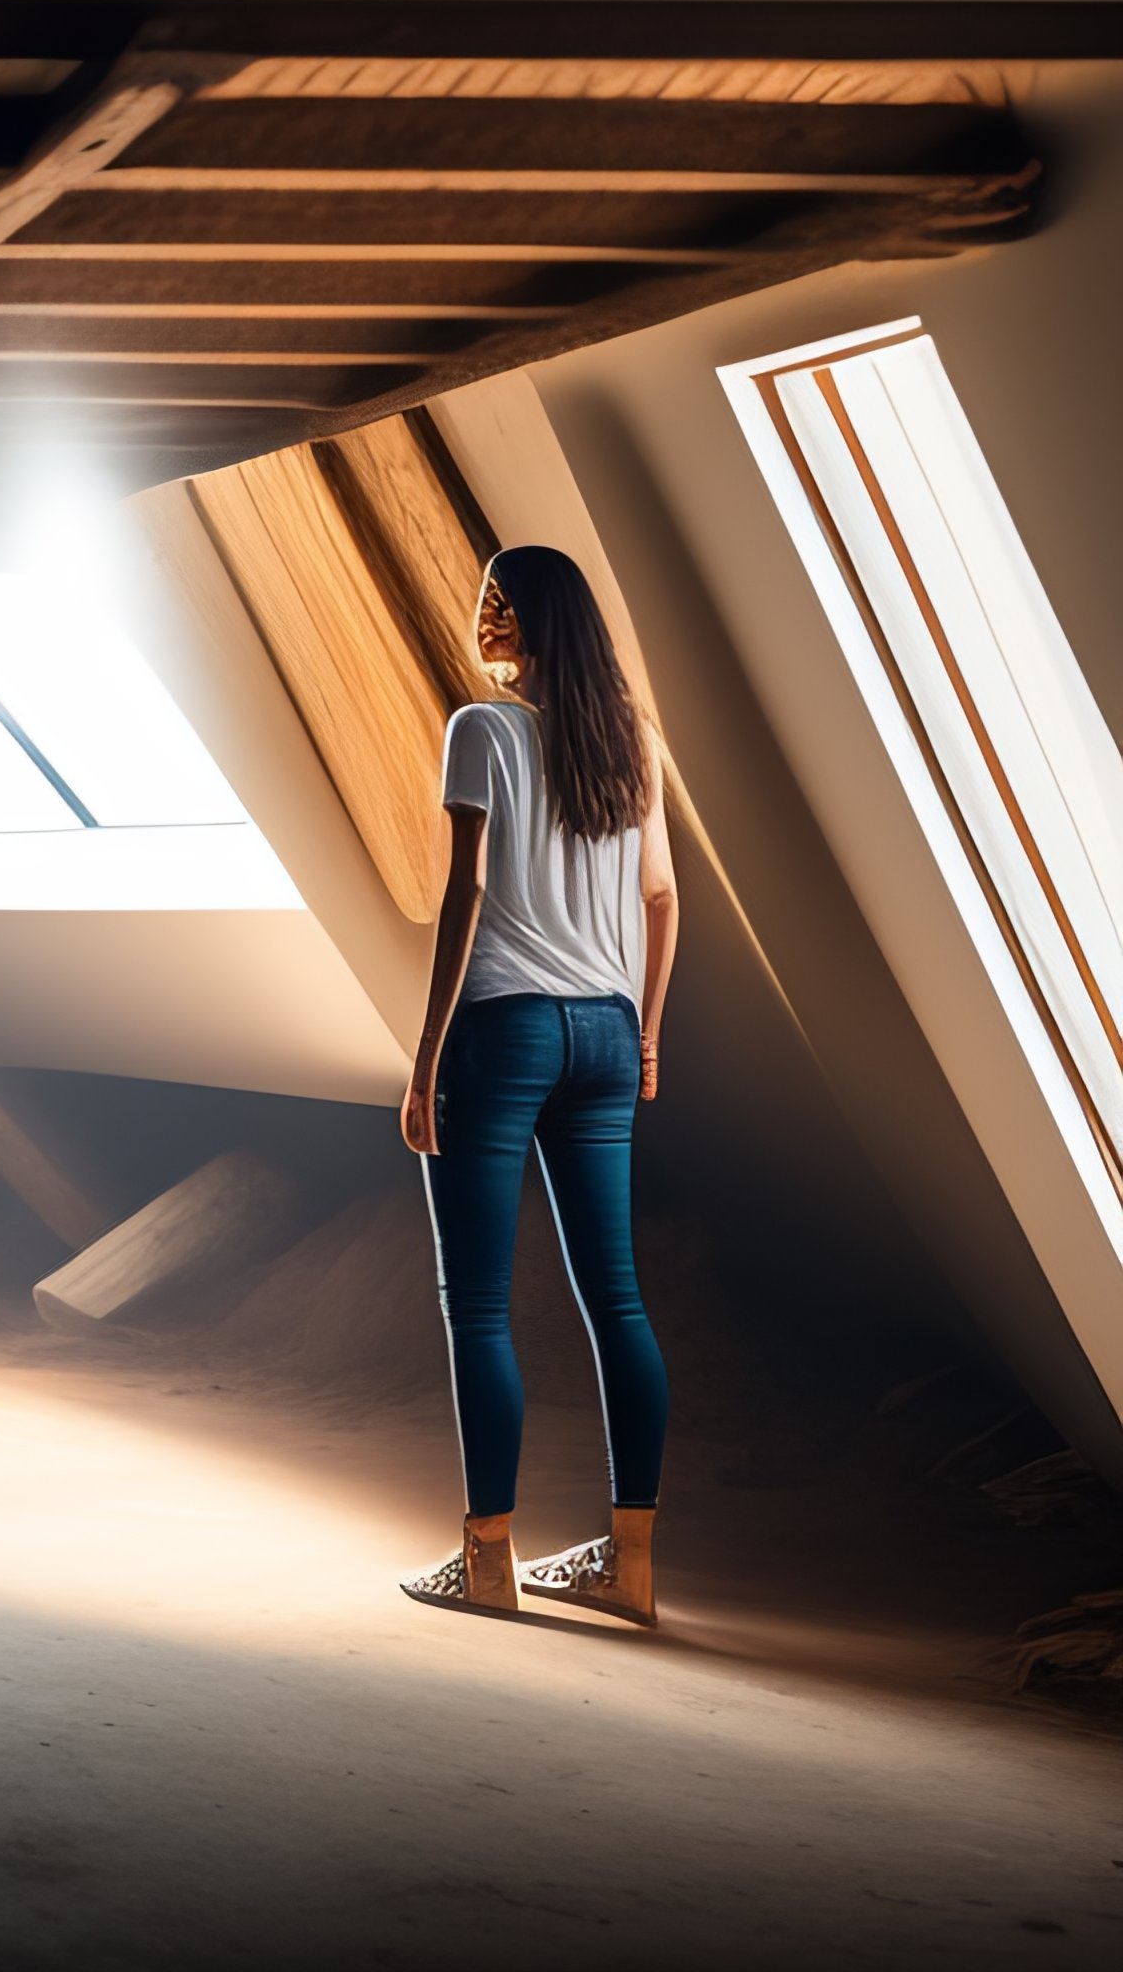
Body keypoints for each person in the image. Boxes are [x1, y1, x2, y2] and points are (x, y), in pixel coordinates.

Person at [398, 544, 679, 1625]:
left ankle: (486, 1560)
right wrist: (647, 1035)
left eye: (503, 603)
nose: (487, 618)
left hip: (505, 1030)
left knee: (477, 1302)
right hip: (606, 1034)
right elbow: (661, 899)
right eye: (482, 600)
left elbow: (465, 891)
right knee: (618, 1300)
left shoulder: (484, 730)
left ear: (542, 621)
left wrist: (427, 1055)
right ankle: (632, 1563)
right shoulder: (631, 744)